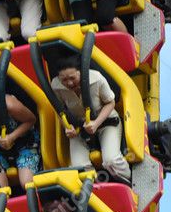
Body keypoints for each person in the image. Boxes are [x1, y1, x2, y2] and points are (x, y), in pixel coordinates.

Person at [49, 56, 130, 185]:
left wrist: (96, 123)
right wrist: (66, 126)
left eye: (72, 78)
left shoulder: (96, 79)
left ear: (80, 72)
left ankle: (128, 181)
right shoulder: (56, 85)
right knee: (79, 168)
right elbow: (59, 109)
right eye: (64, 79)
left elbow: (110, 103)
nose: (69, 83)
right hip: (79, 127)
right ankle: (95, 189)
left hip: (105, 122)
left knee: (111, 160)